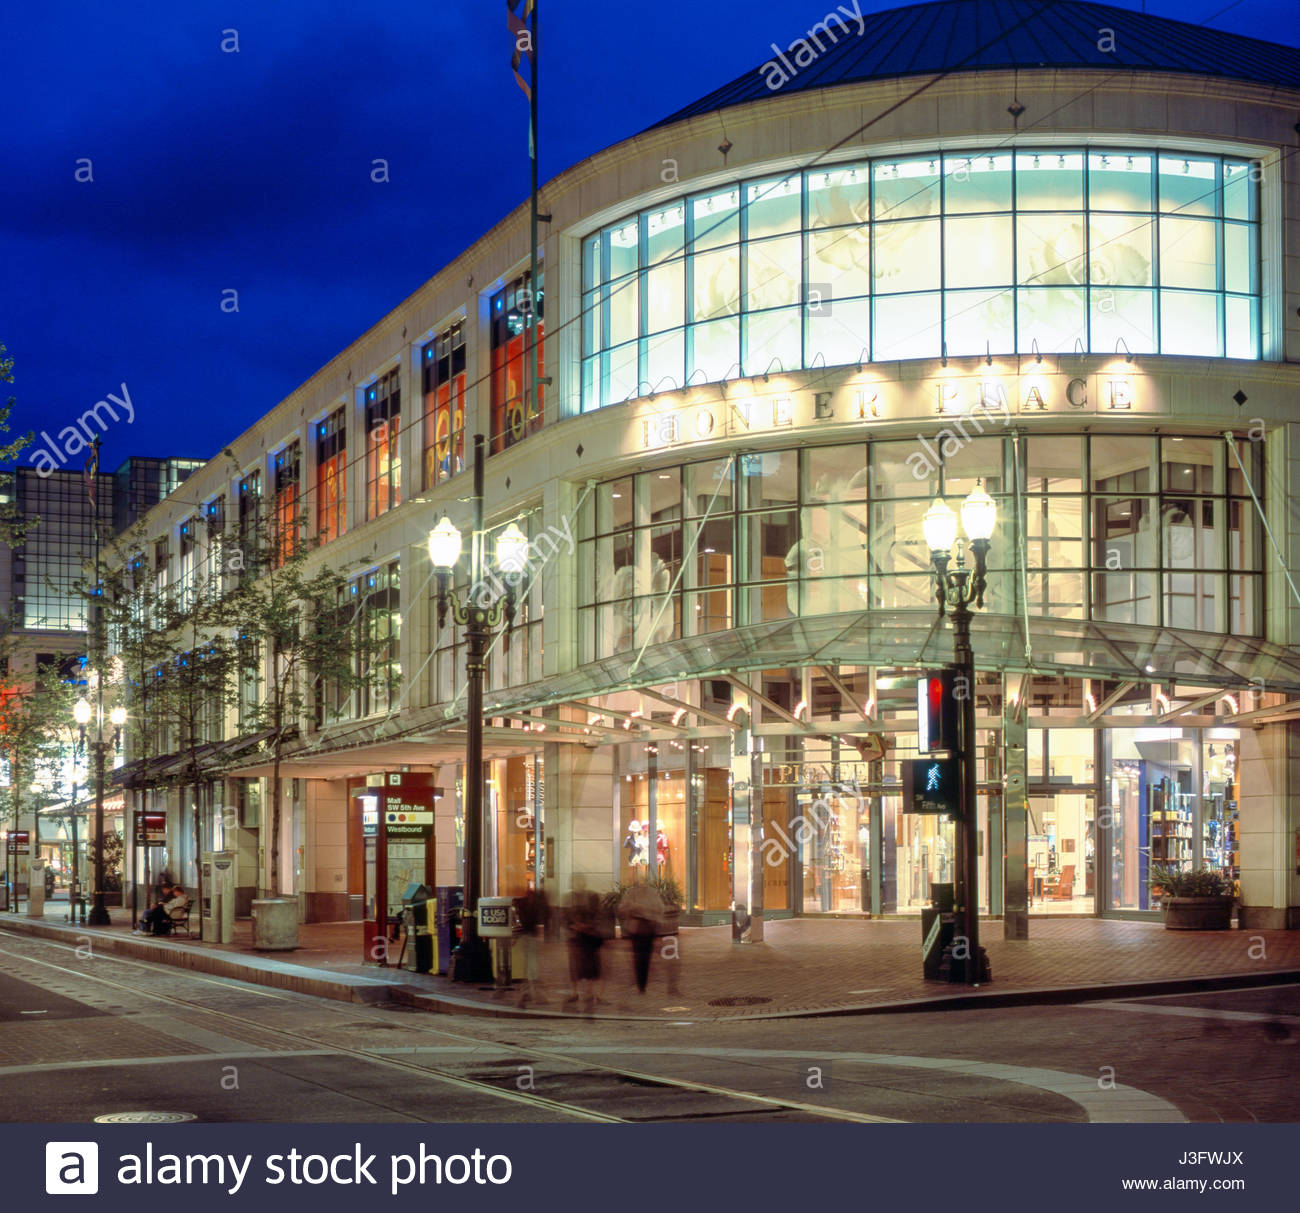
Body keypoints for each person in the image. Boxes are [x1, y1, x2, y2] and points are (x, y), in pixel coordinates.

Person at [619, 881, 666, 994]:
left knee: (643, 956)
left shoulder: (650, 893)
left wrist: (644, 911)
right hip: (638, 927)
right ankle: (641, 983)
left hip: (645, 927)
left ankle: (641, 983)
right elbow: (622, 908)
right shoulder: (631, 892)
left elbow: (660, 909)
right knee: (640, 956)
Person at [565, 892, 604, 1013]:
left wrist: (581, 927)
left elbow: (594, 925)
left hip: (586, 941)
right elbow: (570, 923)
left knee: (587, 968)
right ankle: (584, 992)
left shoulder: (590, 911)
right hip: (580, 941)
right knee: (580, 967)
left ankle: (586, 992)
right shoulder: (580, 910)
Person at [512, 886, 549, 1006]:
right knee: (532, 966)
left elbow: (520, 922)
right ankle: (534, 995)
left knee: (529, 966)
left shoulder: (521, 904)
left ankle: (526, 994)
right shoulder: (536, 906)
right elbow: (539, 924)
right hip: (532, 937)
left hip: (526, 936)